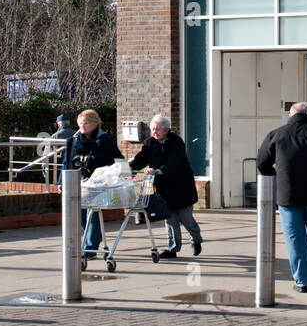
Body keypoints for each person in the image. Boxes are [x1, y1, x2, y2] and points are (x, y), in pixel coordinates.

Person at [257, 103, 307, 292]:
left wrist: (276, 177)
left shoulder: (276, 134)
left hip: (288, 195)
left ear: (291, 115)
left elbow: (262, 162)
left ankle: (302, 279)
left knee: (294, 237)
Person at [133, 114, 202, 258]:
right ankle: (172, 249)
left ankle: (195, 239)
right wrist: (127, 169)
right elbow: (141, 159)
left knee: (186, 218)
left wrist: (159, 170)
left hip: (181, 187)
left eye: (157, 129)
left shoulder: (176, 142)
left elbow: (175, 162)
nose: (154, 132)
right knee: (170, 219)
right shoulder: (149, 143)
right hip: (163, 189)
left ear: (165, 130)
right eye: (152, 129)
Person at [62, 109, 124, 258]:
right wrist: (61, 182)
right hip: (76, 182)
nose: (82, 126)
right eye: (80, 123)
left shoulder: (105, 140)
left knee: (93, 213)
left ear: (95, 124)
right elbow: (66, 162)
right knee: (79, 214)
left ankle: (90, 248)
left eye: (86, 123)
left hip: (97, 184)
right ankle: (94, 238)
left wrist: (124, 174)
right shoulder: (73, 140)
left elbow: (118, 159)